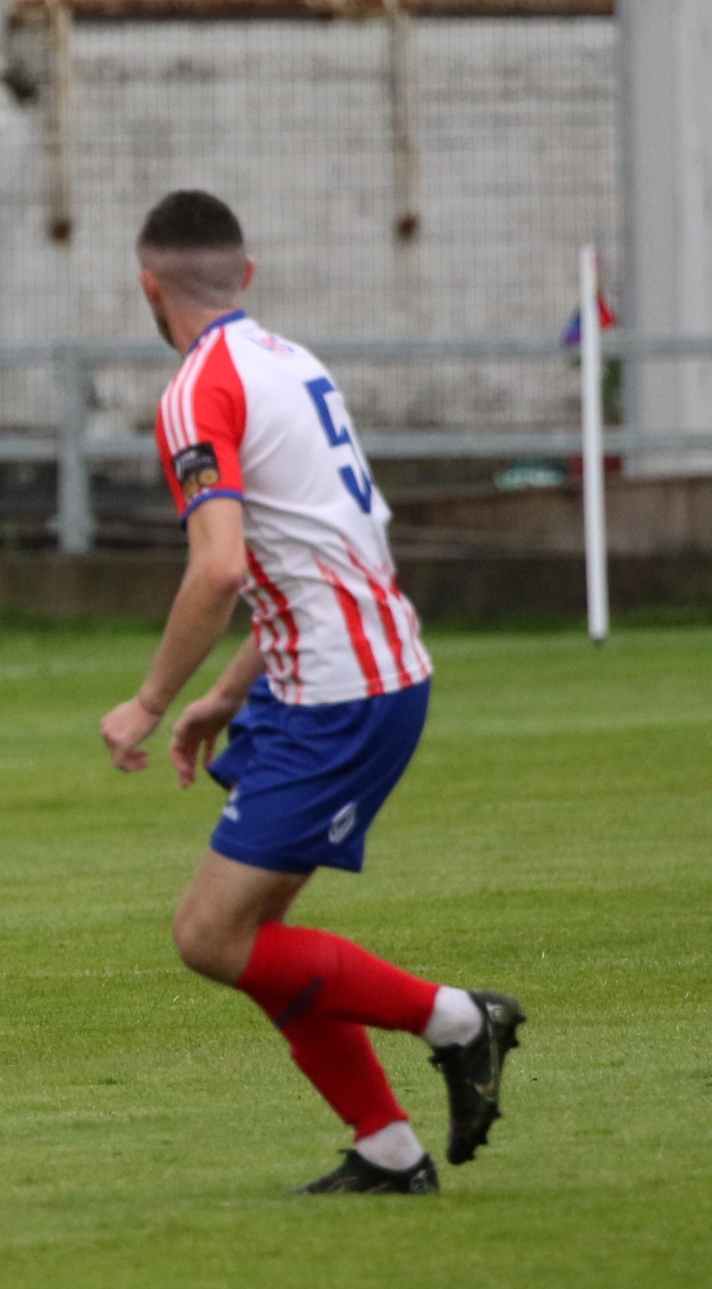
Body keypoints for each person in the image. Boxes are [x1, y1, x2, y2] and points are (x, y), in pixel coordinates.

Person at [99, 192, 526, 1194]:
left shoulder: (197, 391)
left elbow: (218, 569)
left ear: (146, 284)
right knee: (259, 942)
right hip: (334, 674)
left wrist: (152, 700)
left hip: (342, 691)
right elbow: (323, 553)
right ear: (244, 275)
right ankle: (386, 1149)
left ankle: (461, 1019)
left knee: (209, 937)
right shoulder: (294, 363)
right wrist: (225, 695)